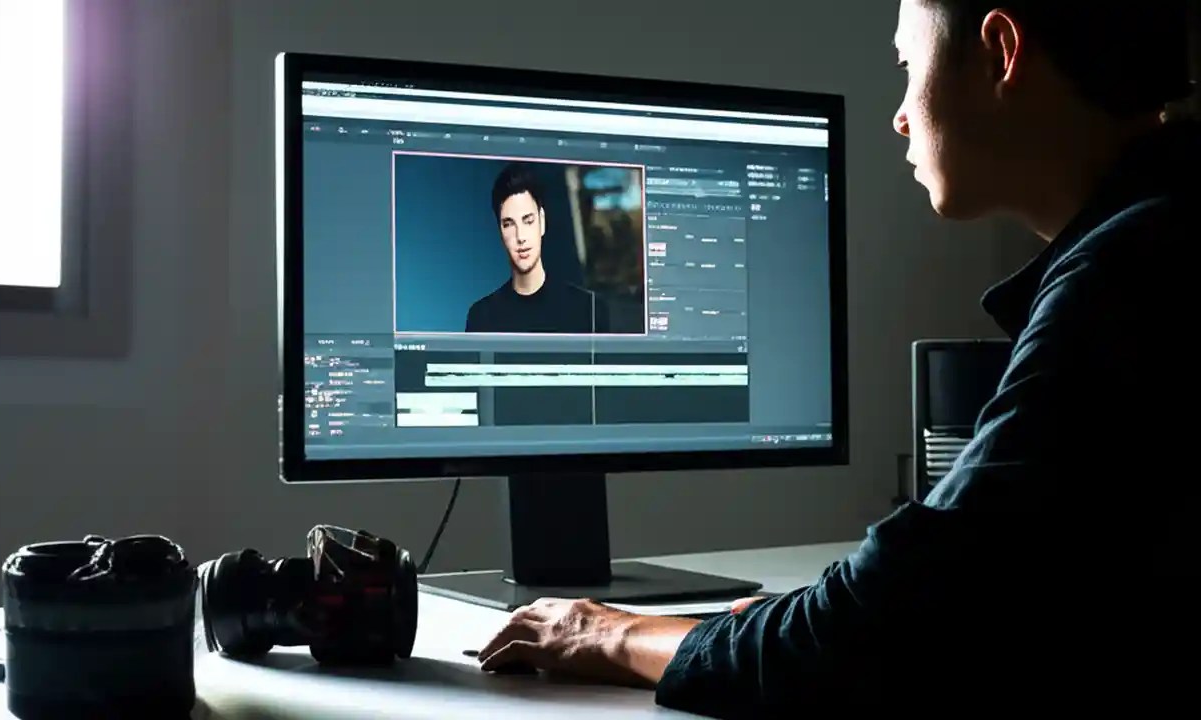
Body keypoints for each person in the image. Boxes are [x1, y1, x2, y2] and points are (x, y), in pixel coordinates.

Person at [476, 0, 1197, 714]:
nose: (901, 115)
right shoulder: (1162, 236)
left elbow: (872, 633)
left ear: (1001, 52)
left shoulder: (1128, 280)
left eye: (907, 66)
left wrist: (609, 633)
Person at [465, 162, 610, 334]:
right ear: (500, 232)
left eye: (528, 221)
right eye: (509, 224)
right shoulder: (482, 317)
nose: (520, 237)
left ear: (542, 221)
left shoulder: (589, 310)